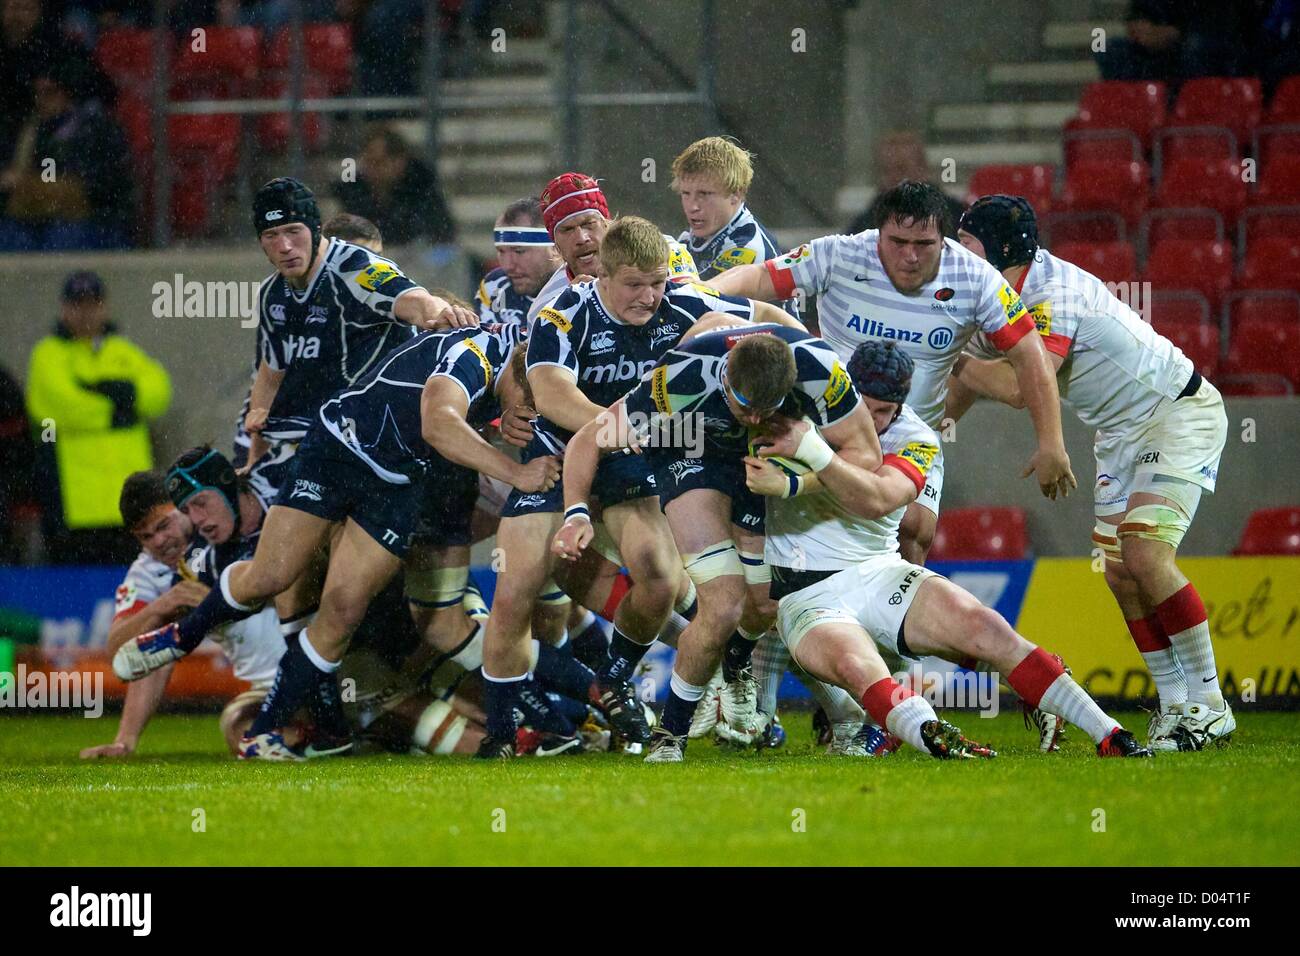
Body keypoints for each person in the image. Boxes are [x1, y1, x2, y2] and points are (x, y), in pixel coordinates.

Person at [744, 340, 1151, 759]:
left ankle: (1110, 733)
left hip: (879, 572)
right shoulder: (797, 415)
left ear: (901, 405)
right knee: (856, 667)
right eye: (862, 406)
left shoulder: (916, 438)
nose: (871, 420)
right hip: (807, 593)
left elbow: (880, 498)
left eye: (884, 411)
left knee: (986, 628)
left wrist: (802, 470)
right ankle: (936, 737)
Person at [477, 216, 771, 758]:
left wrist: (806, 351)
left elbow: (766, 321)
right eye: (635, 284)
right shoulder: (563, 316)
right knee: (516, 590)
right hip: (560, 456)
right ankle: (499, 738)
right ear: (602, 278)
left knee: (659, 577)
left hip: (630, 463)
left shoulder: (680, 303)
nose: (650, 295)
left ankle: (613, 680)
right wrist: (617, 425)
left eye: (658, 282)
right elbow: (551, 393)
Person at [952, 194, 1233, 752]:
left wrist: (955, 361)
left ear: (1003, 250)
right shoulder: (994, 294)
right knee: (1120, 573)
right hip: (1118, 433)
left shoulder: (1052, 295)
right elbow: (971, 381)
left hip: (1175, 413)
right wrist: (931, 429)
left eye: (968, 248)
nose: (959, 259)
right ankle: (1177, 705)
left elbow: (1016, 386)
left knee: (1146, 555)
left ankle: (1211, 705)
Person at [554, 324, 882, 761]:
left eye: (768, 408)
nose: (753, 416)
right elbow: (587, 439)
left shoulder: (822, 370)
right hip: (691, 457)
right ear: (726, 376)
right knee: (723, 605)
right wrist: (576, 513)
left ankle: (736, 664)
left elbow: (867, 456)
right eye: (744, 404)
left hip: (766, 465)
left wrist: (794, 483)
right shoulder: (680, 377)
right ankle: (670, 737)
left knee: (766, 604)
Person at [708, 180, 1074, 569]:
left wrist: (1051, 442)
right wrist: (698, 295)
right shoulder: (839, 254)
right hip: (831, 427)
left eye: (923, 245)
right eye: (898, 242)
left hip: (909, 436)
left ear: (943, 239)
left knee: (913, 531)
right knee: (768, 541)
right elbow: (759, 278)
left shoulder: (975, 278)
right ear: (878, 234)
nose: (910, 256)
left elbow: (1029, 352)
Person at [241, 177, 475, 477]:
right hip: (329, 439)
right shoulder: (272, 293)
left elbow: (415, 300)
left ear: (314, 229)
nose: (284, 246)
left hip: (388, 438)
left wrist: (442, 313)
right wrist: (254, 461)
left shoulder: (355, 267)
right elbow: (271, 377)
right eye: (271, 235)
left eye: (293, 231)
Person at [80, 470, 284, 758]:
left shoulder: (225, 528)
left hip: (313, 654)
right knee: (241, 731)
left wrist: (222, 602)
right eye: (145, 536)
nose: (159, 541)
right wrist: (160, 608)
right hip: (267, 687)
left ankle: (324, 718)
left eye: (164, 525)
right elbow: (121, 652)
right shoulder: (149, 573)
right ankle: (320, 726)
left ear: (185, 507)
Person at [26, 270, 172, 565]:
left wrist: (100, 393)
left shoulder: (122, 350)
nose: (86, 313)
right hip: (78, 503)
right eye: (78, 305)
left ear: (104, 306)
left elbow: (159, 391)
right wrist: (123, 407)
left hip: (129, 499)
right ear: (64, 308)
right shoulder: (48, 353)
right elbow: (62, 407)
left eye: (93, 304)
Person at [526, 172, 699, 327]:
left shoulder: (664, 251)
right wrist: (570, 308)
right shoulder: (545, 308)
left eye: (589, 224)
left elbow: (694, 307)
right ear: (555, 245)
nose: (581, 238)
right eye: (567, 230)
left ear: (607, 225)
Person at [1, 55, 132, 250]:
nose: (41, 101)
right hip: (39, 221)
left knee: (63, 236)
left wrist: (30, 185)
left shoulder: (96, 129)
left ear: (68, 94)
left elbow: (88, 190)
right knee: (11, 234)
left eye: (50, 93)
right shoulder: (34, 130)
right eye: (37, 94)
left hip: (96, 223)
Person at [332, 125, 456, 246]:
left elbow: (439, 233)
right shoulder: (355, 192)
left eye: (378, 162)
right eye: (367, 162)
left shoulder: (421, 189)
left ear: (399, 161)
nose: (370, 169)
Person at [845, 132, 965, 238]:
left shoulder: (957, 218)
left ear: (923, 169)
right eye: (886, 170)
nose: (894, 178)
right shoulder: (864, 227)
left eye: (901, 169)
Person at [477, 197, 561, 328]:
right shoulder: (494, 287)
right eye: (501, 251)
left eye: (519, 251)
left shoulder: (584, 291)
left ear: (556, 247)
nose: (508, 266)